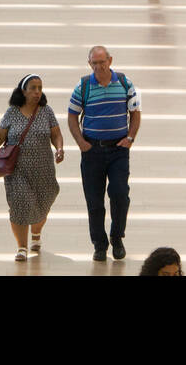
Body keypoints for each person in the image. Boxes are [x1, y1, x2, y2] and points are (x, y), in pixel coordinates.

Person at [0, 74, 65, 261]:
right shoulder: (12, 112)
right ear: (23, 91)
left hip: (44, 170)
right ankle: (21, 247)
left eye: (39, 88)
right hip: (17, 169)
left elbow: (56, 134)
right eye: (32, 88)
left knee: (45, 201)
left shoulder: (46, 111)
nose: (37, 92)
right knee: (19, 205)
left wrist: (59, 149)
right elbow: (0, 136)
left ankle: (36, 234)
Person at [67, 46, 141, 262]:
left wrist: (130, 138)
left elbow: (135, 113)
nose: (98, 67)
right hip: (92, 151)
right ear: (89, 64)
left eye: (102, 62)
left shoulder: (125, 83)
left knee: (120, 194)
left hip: (118, 150)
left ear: (110, 60)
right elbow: (72, 116)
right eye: (94, 63)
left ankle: (117, 237)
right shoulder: (82, 86)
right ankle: (99, 244)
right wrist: (81, 142)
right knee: (94, 201)